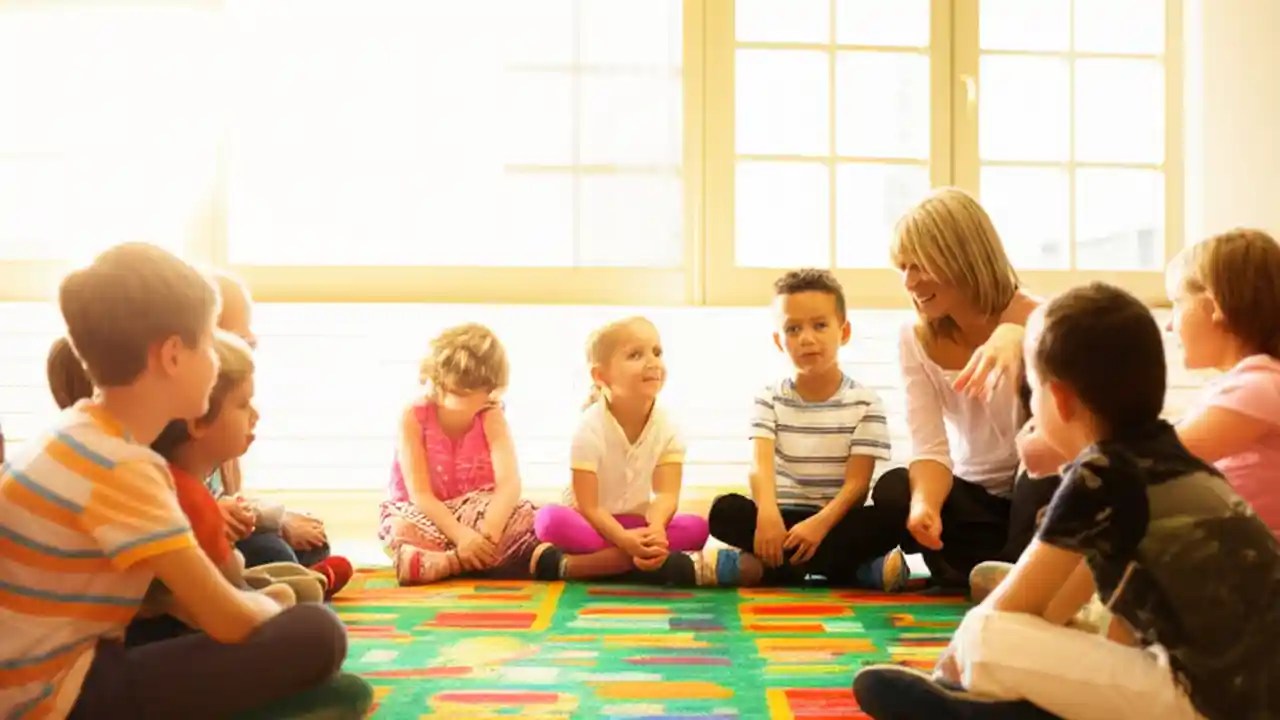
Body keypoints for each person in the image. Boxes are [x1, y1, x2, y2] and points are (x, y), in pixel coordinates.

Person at [853, 282, 1280, 720]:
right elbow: (1119, 614)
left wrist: (948, 672)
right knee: (1090, 632)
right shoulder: (1181, 463)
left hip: (1207, 702)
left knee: (985, 633)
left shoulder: (1101, 475)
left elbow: (1008, 609)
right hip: (1258, 696)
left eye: (1031, 391)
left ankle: (959, 707)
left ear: (1058, 399)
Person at [0, 243, 370, 718]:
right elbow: (230, 620)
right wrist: (275, 608)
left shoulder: (70, 432)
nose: (218, 361)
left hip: (46, 668)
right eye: (210, 345)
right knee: (317, 632)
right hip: (56, 697)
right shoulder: (126, 467)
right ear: (173, 356)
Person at [871, 187, 1057, 591]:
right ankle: (1004, 571)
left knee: (1049, 474)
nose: (909, 281)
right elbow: (930, 447)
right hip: (977, 499)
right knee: (895, 489)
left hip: (1038, 488)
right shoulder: (913, 337)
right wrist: (925, 506)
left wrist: (1020, 339)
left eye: (919, 265)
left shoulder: (1045, 319)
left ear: (962, 257)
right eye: (903, 268)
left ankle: (1005, 571)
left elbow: (1070, 433)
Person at [706, 269, 907, 589]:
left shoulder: (866, 402)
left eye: (820, 325)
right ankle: (853, 571)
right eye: (793, 329)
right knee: (724, 510)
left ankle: (769, 568)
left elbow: (857, 486)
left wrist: (819, 526)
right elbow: (760, 465)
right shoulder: (769, 398)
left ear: (844, 331)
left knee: (889, 519)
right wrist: (767, 514)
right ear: (779, 340)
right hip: (780, 520)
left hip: (834, 521)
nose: (807, 338)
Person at [531, 316, 709, 585]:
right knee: (548, 520)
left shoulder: (669, 426)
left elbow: (666, 494)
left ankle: (575, 567)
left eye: (657, 352)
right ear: (600, 376)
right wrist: (625, 540)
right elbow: (588, 506)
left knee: (698, 528)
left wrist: (656, 529)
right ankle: (642, 564)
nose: (652, 362)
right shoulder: (589, 427)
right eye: (635, 355)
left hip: (638, 524)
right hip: (594, 524)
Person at [381, 323, 538, 584]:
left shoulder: (491, 416)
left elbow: (509, 484)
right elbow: (420, 495)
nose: (449, 398)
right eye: (447, 388)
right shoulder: (413, 416)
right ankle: (471, 560)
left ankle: (448, 563)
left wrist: (488, 534)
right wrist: (463, 537)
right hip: (426, 514)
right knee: (401, 529)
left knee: (530, 519)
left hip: (477, 510)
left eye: (465, 392)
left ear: (490, 390)